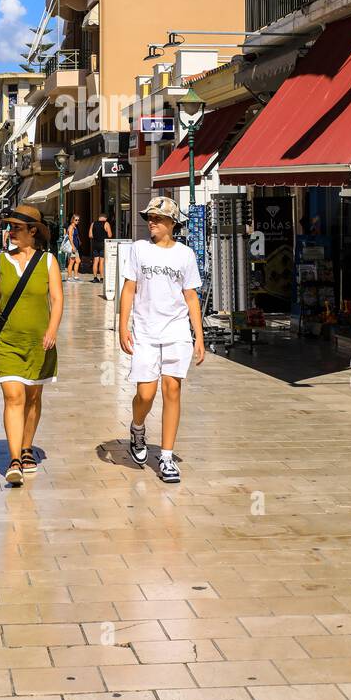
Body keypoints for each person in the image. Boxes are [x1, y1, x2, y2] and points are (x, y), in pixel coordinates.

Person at [118, 195, 205, 484]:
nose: (151, 222)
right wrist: (122, 326)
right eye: (149, 218)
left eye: (157, 218)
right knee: (146, 393)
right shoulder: (139, 250)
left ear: (172, 223)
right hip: (145, 329)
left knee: (172, 390)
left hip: (176, 330)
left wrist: (199, 337)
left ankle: (167, 457)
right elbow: (129, 289)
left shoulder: (185, 255)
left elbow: (191, 297)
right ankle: (138, 428)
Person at [0, 204, 63, 486]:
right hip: (7, 342)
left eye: (17, 228)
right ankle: (15, 460)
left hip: (40, 341)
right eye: (11, 227)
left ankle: (27, 447)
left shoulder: (48, 261)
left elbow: (58, 299)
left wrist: (52, 329)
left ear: (33, 231)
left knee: (33, 398)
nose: (11, 231)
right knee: (14, 397)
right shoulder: (1, 261)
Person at [89, 212, 112, 284]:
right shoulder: (106, 223)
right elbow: (110, 235)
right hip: (103, 244)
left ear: (99, 217)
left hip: (95, 244)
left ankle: (95, 278)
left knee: (95, 261)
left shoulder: (93, 223)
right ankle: (102, 278)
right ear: (105, 218)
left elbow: (90, 235)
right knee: (101, 262)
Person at [65, 213, 82, 281]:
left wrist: (79, 241)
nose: (77, 221)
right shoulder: (71, 227)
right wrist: (73, 247)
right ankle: (69, 277)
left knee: (78, 261)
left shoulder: (75, 227)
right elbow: (70, 237)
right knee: (72, 262)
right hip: (73, 247)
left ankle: (75, 276)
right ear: (72, 220)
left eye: (78, 220)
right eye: (76, 220)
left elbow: (76, 236)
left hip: (76, 247)